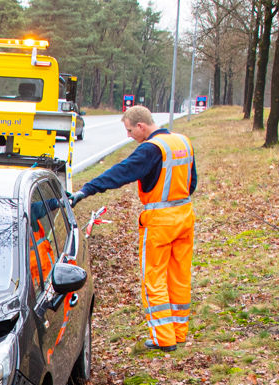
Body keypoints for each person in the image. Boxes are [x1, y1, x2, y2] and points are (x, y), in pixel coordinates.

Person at [70, 104, 197, 351]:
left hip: (160, 220)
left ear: (141, 126)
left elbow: (121, 172)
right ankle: (179, 332)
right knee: (179, 276)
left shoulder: (151, 149)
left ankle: (163, 338)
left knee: (154, 277)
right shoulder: (183, 142)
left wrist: (86, 190)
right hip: (185, 214)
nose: (129, 136)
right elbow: (192, 183)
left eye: (130, 131)